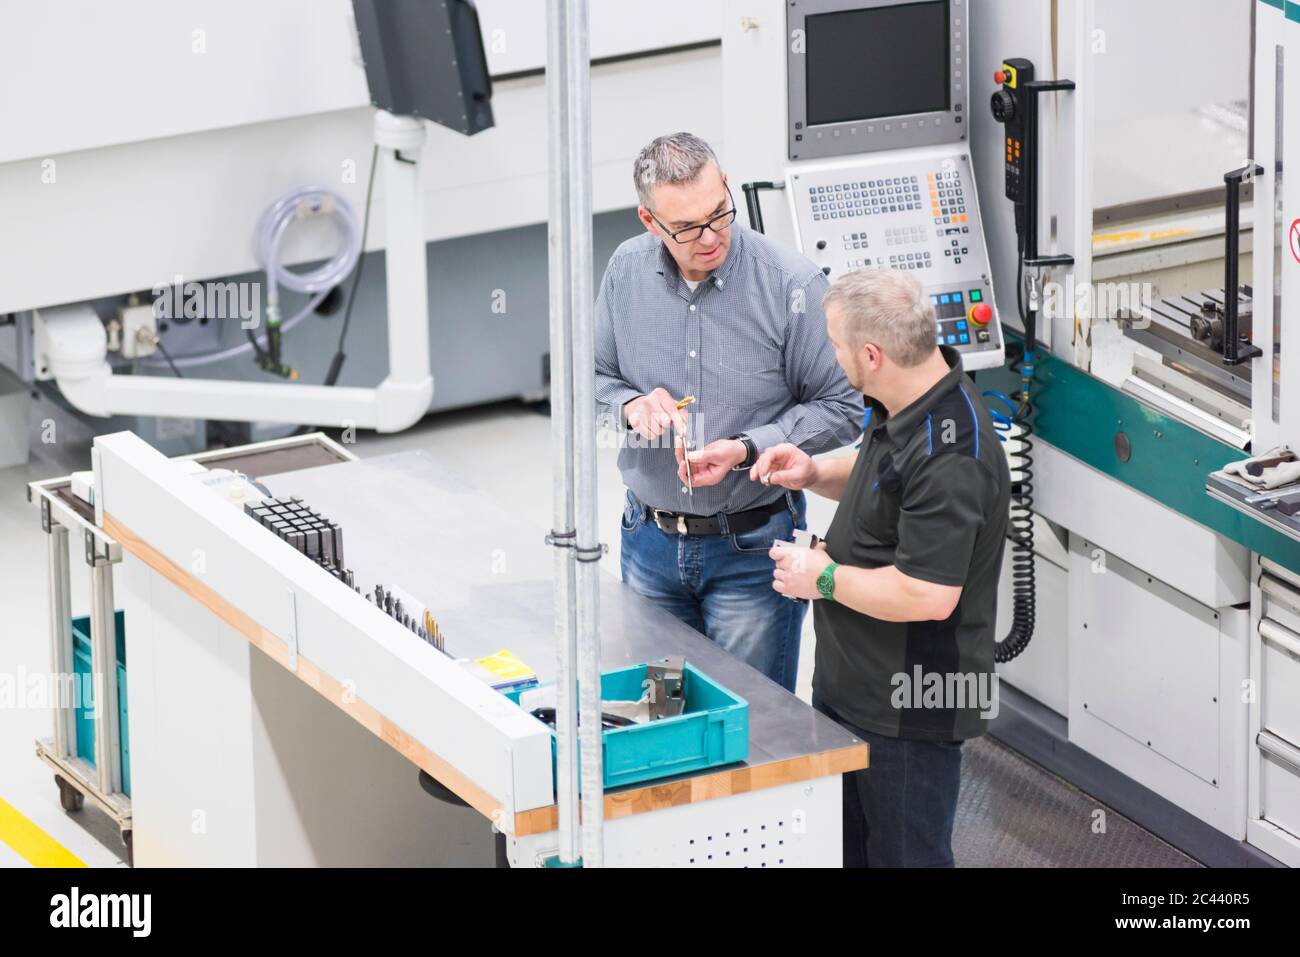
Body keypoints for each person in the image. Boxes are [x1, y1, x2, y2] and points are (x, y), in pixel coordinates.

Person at [754, 268, 1010, 866]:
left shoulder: (952, 453)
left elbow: (927, 595)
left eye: (836, 345)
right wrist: (815, 472)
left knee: (902, 856)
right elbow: (887, 483)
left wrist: (817, 577)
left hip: (908, 709)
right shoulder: (906, 398)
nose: (833, 355)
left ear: (871, 354)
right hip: (856, 684)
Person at [594, 132, 862, 692]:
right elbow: (594, 380)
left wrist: (748, 447)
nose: (711, 236)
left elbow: (844, 405)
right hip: (648, 539)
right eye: (687, 228)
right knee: (658, 716)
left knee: (755, 729)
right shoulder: (625, 272)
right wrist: (631, 405)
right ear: (649, 221)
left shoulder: (792, 285)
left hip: (752, 549)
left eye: (719, 213)